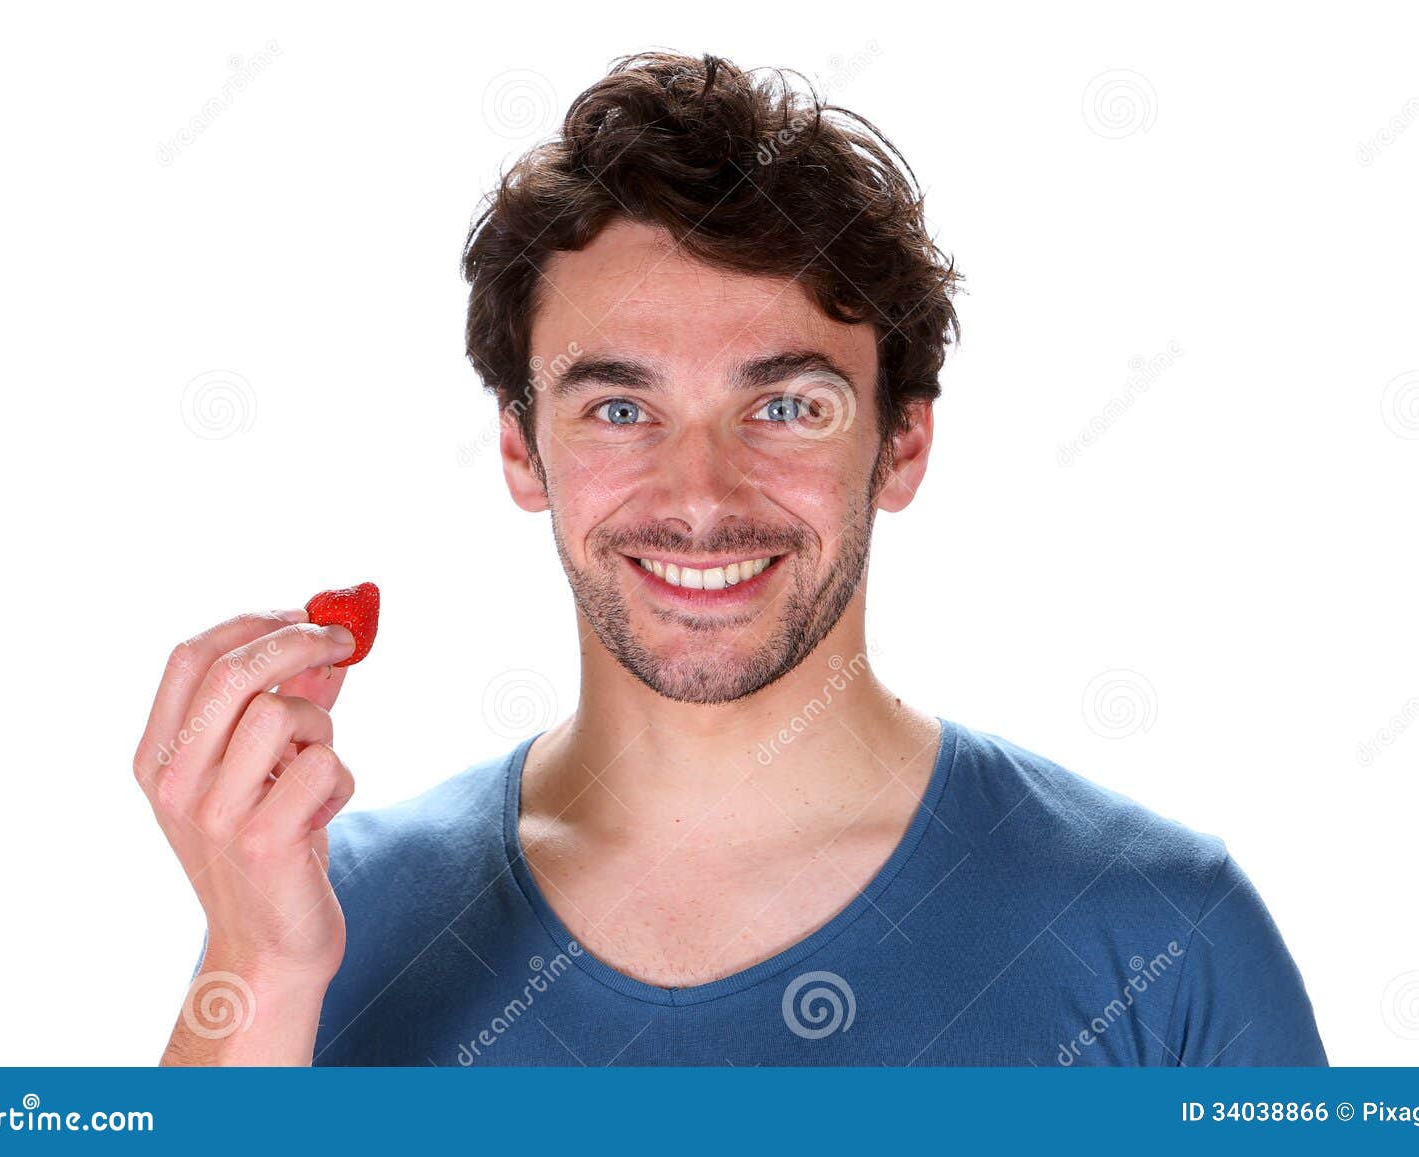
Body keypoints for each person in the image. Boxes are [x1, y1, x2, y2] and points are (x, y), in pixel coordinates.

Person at [133, 51, 1325, 1067]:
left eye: (788, 408)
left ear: (901, 443)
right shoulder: (327, 920)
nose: (699, 496)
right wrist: (257, 961)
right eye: (618, 409)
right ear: (521, 448)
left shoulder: (1160, 934)